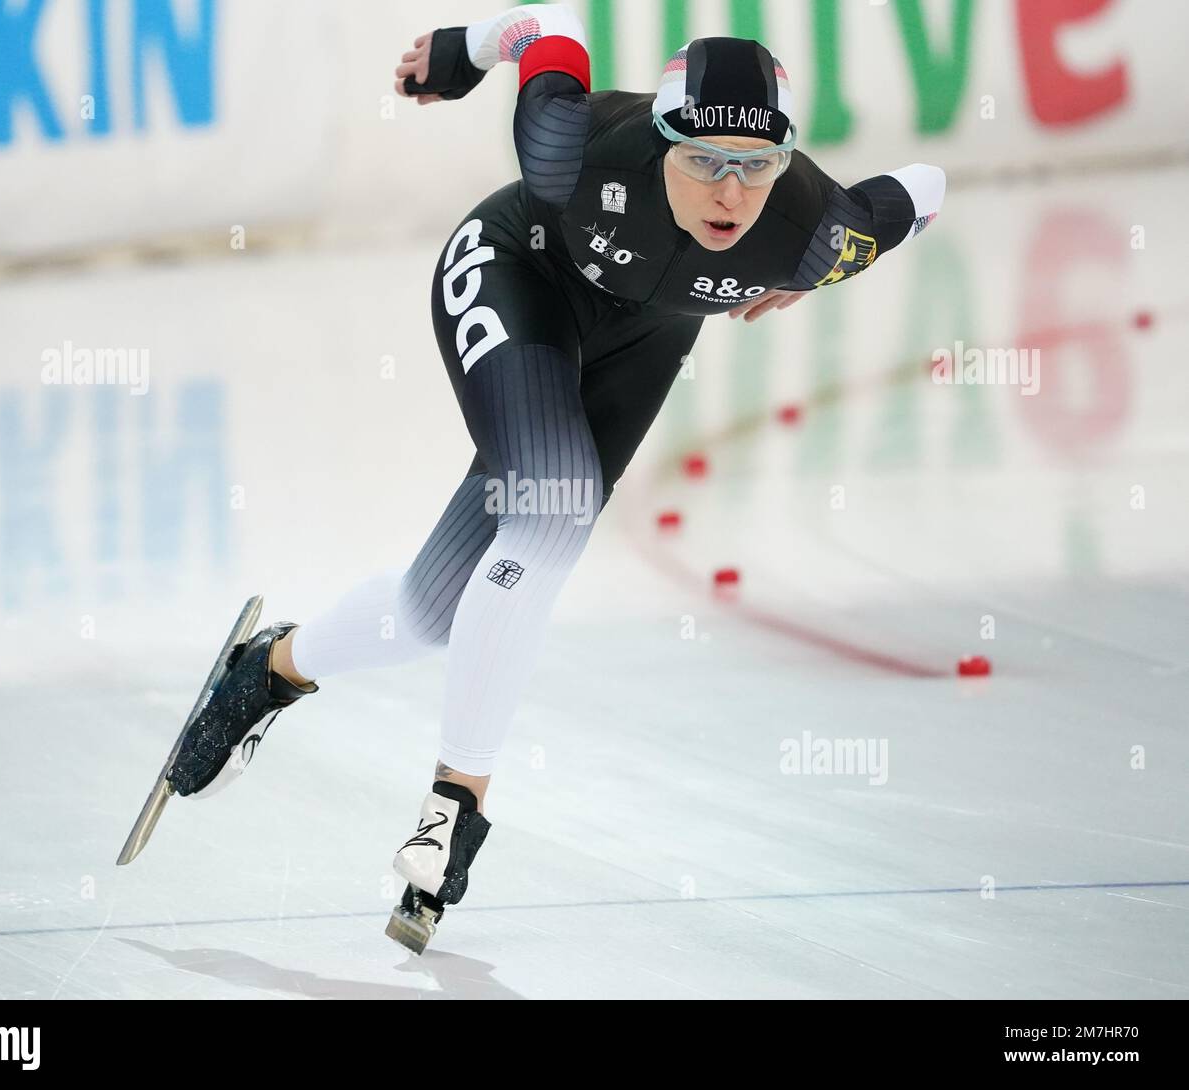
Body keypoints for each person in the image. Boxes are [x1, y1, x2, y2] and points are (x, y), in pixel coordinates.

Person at [161, 4, 945, 952]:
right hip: (515, 271)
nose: (729, 190)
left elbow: (925, 185)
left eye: (754, 163)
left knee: (426, 616)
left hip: (645, 337)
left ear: (785, 162)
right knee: (552, 513)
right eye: (703, 160)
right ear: (661, 143)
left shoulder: (817, 231)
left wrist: (805, 272)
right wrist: (458, 53)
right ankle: (457, 804)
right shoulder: (571, 154)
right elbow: (546, 32)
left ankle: (270, 672)